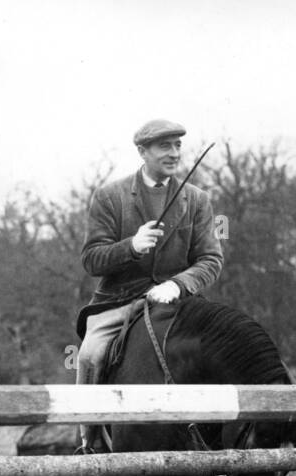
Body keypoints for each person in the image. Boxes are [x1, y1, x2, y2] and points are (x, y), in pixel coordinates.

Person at [75, 119, 223, 452]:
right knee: (90, 354)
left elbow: (211, 260)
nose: (174, 154)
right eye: (164, 147)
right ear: (143, 151)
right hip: (120, 302)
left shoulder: (197, 200)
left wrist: (179, 284)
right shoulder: (110, 196)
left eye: (177, 146)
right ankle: (91, 441)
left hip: (177, 302)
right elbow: (91, 259)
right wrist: (130, 246)